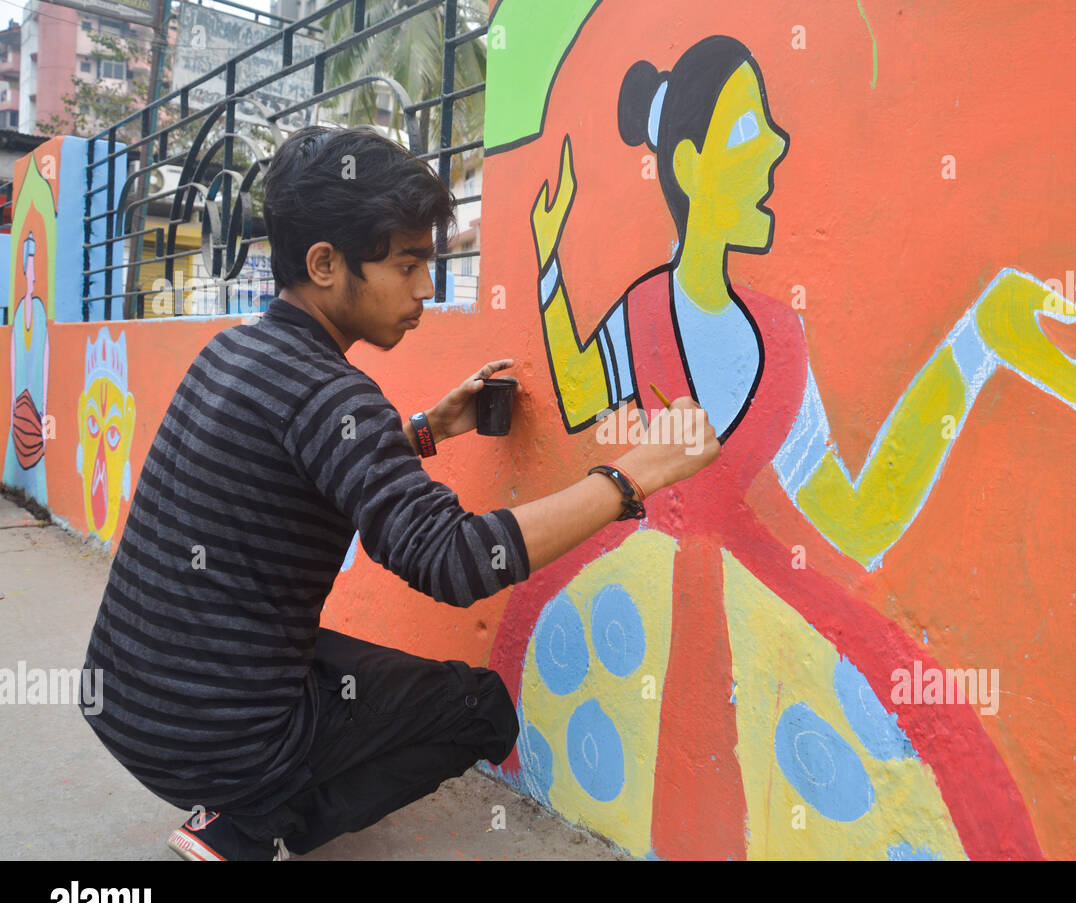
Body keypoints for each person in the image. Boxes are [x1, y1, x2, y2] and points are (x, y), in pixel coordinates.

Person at [491, 35, 1076, 859]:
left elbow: (862, 517)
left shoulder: (780, 337)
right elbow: (585, 392)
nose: (776, 144)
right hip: (624, 610)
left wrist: (979, 342)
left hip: (761, 623)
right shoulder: (644, 308)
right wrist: (550, 265)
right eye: (748, 130)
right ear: (688, 167)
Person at [76, 125, 720, 861]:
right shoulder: (332, 395)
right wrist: (629, 476)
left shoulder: (234, 350)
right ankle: (247, 823)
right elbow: (457, 562)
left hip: (126, 698)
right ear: (326, 264)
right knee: (477, 711)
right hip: (212, 734)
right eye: (408, 263)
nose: (426, 288)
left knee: (321, 662)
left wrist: (420, 433)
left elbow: (292, 475)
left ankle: (242, 798)